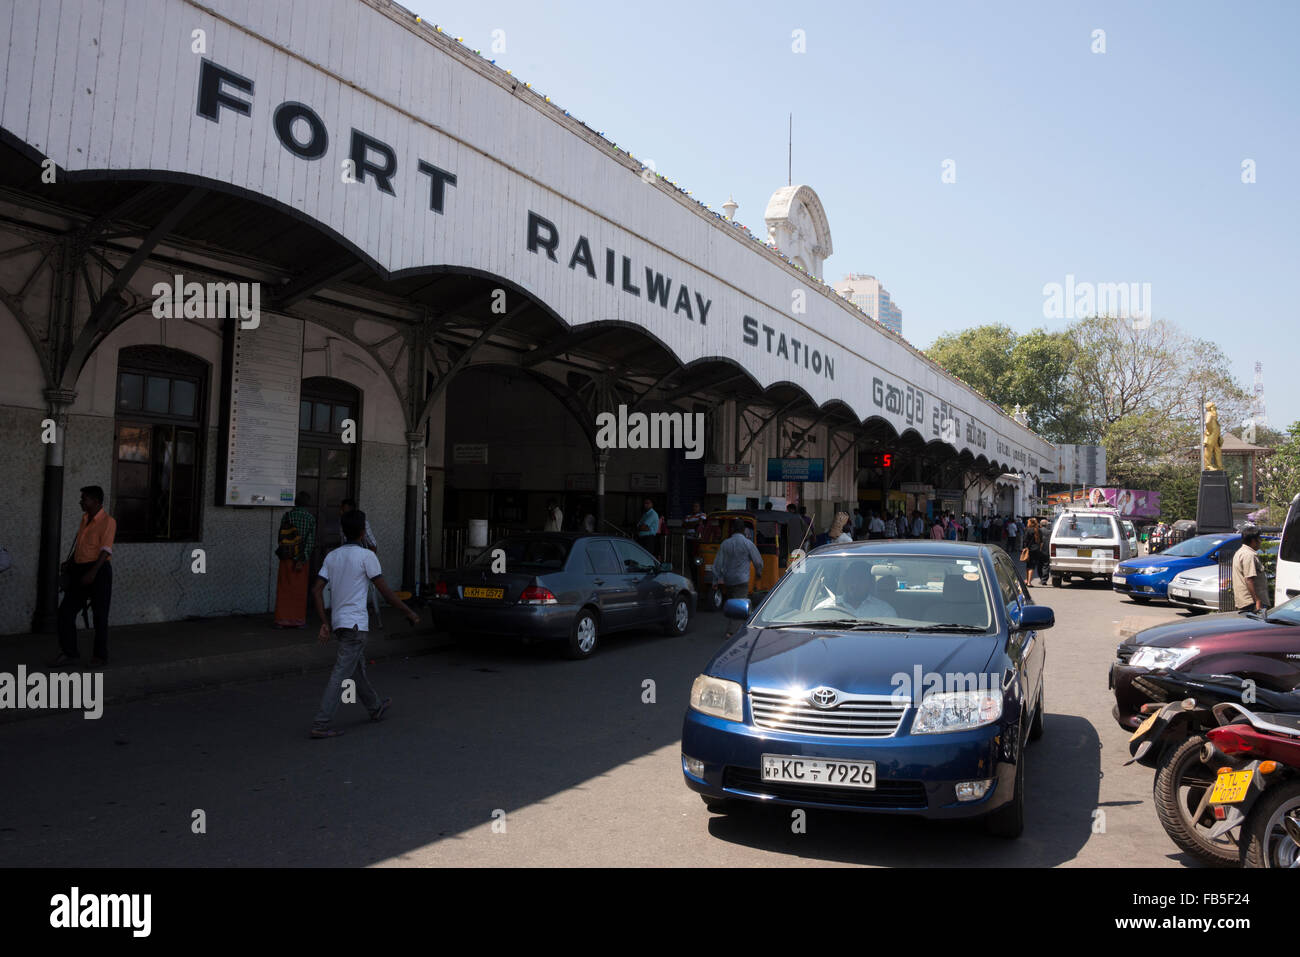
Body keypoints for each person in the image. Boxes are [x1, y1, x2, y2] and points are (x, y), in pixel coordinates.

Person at [309, 509, 420, 739]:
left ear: (343, 532)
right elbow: (386, 593)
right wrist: (409, 612)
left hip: (340, 624)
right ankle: (321, 722)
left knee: (355, 670)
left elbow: (316, 590)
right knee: (341, 674)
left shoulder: (332, 556)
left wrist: (324, 622)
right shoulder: (367, 557)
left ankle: (375, 707)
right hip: (356, 626)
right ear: (362, 533)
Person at [53, 485, 116, 667]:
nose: (81, 501)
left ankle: (100, 656)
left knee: (99, 615)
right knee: (65, 612)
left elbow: (105, 550)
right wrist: (71, 562)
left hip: (98, 570)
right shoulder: (85, 519)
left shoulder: (108, 521)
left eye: (85, 499)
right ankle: (70, 653)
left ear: (96, 501)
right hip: (80, 570)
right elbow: (81, 546)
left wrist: (93, 573)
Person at [713, 520, 765, 638]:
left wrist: (716, 580)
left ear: (732, 530)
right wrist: (759, 572)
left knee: (733, 604)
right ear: (743, 530)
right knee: (739, 606)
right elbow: (758, 561)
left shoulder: (725, 544)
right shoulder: (747, 543)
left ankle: (737, 628)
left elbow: (717, 564)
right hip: (741, 580)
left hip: (728, 580)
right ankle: (731, 632)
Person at [275, 492, 317, 628]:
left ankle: (281, 620)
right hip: (301, 560)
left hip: (286, 557)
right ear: (307, 504)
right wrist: (303, 558)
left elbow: (280, 538)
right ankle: (298, 620)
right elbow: (310, 541)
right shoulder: (310, 518)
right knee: (300, 590)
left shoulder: (287, 516)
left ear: (295, 502)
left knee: (284, 587)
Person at [340, 498, 383, 629]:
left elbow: (373, 544)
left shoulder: (362, 523)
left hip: (359, 557)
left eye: (344, 509)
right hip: (346, 557)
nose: (341, 511)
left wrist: (368, 559)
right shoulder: (342, 522)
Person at [829, 562, 898, 619]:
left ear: (870, 583)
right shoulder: (828, 606)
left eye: (861, 579)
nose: (855, 584)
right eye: (852, 578)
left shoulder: (884, 610)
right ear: (845, 580)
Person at [1232, 524, 1270, 612]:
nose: (1261, 541)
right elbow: (1249, 579)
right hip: (1252, 603)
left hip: (1246, 602)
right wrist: (1257, 600)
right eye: (1259, 538)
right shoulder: (1249, 555)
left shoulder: (1240, 552)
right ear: (1253, 540)